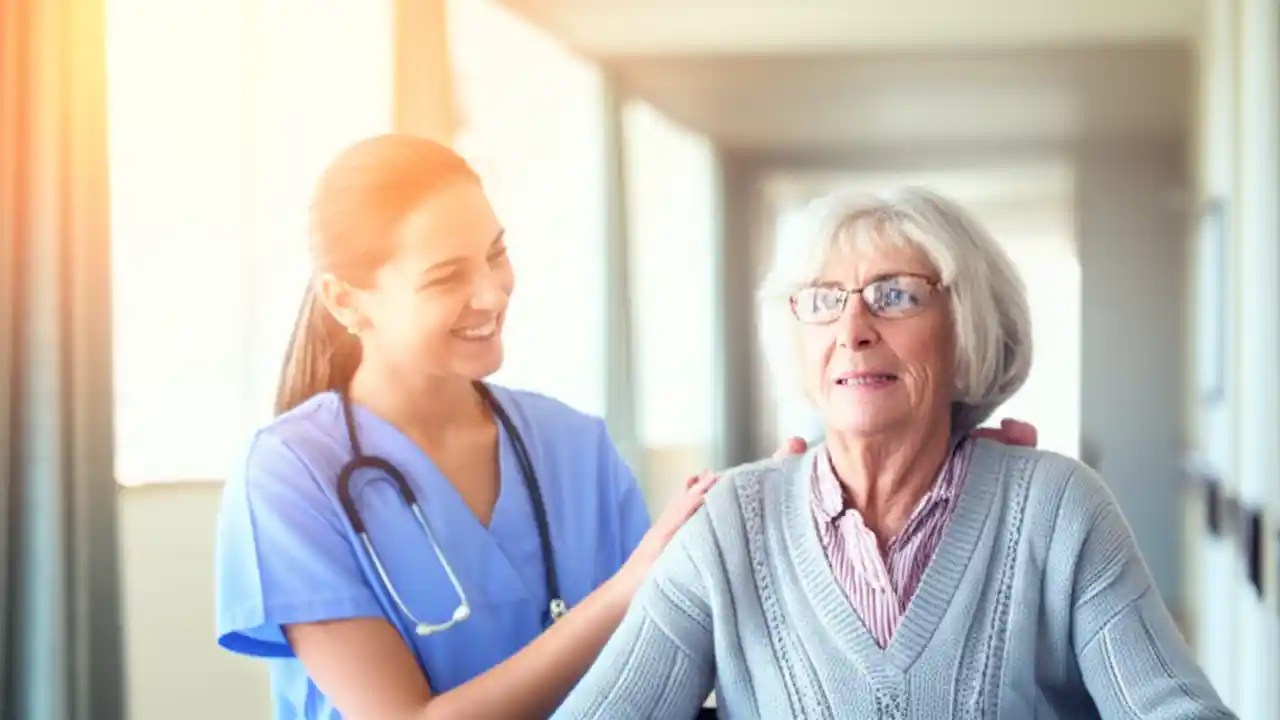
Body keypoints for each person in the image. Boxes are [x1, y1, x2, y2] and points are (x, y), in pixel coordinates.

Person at [213, 134, 1036, 719]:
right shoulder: (292, 473)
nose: (492, 294)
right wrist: (629, 587)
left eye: (495, 255)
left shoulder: (570, 446)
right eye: (446, 277)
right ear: (346, 302)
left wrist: (924, 490)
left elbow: (671, 666)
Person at [554, 188, 1235, 719]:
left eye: (896, 295)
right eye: (823, 300)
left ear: (967, 328)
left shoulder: (1058, 508)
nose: (853, 330)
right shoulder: (729, 523)